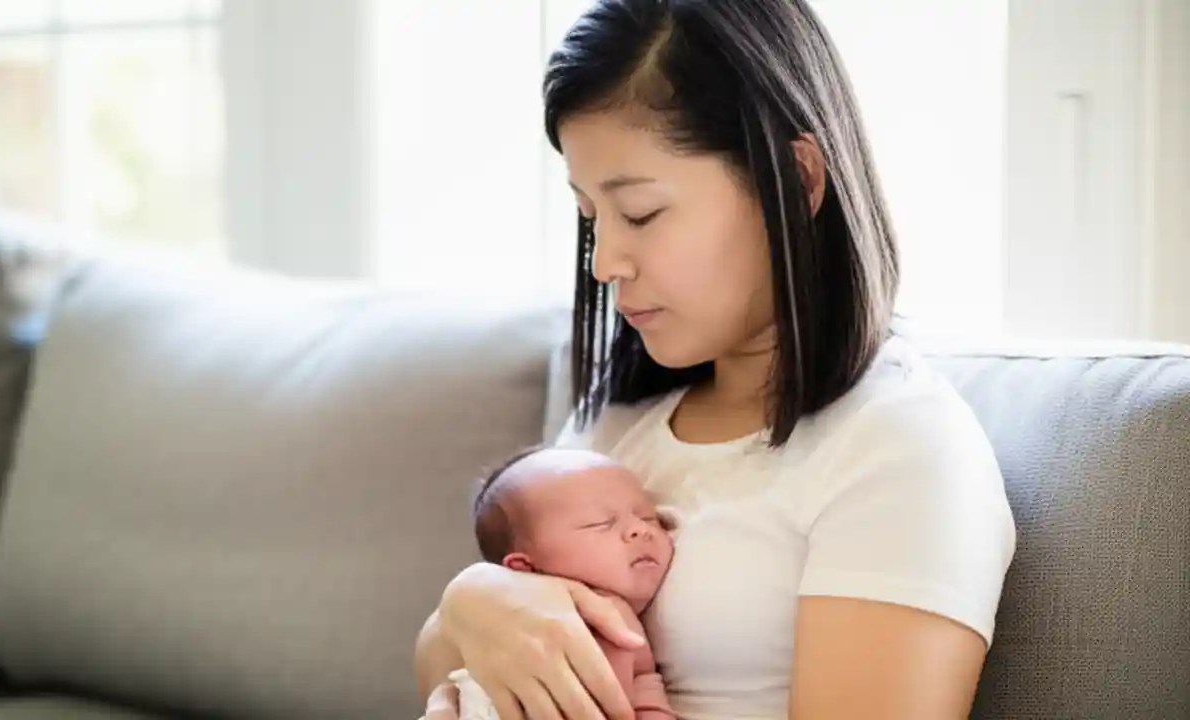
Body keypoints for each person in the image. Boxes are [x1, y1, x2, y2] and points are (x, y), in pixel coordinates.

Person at [415, 0, 1017, 718]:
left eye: (639, 213)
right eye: (589, 219)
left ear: (795, 183)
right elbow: (443, 673)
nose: (605, 262)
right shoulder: (618, 422)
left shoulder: (898, 450)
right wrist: (471, 602)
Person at [450, 446, 676, 720]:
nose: (640, 530)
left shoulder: (627, 626)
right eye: (600, 523)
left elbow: (646, 690)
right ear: (524, 568)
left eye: (648, 517)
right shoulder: (508, 622)